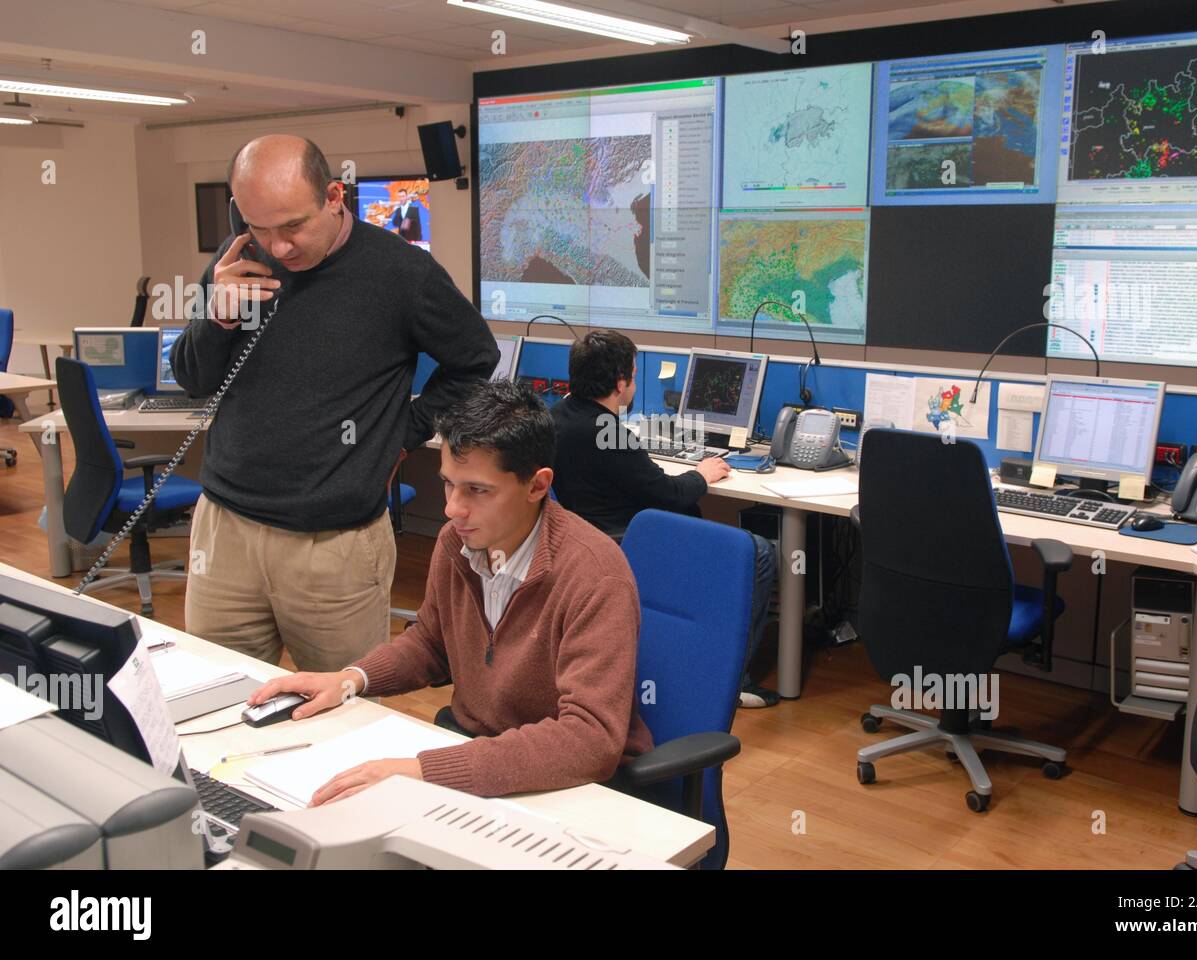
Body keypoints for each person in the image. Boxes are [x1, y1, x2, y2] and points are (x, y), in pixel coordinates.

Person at [171, 134, 498, 673]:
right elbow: (192, 378)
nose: (278, 248)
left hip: (334, 544)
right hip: (224, 531)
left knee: (341, 718)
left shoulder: (402, 273)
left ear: (334, 196)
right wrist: (217, 317)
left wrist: (403, 431)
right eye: (259, 227)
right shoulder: (237, 262)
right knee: (217, 702)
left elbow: (473, 359)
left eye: (293, 226)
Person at [245, 379, 653, 802]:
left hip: (574, 788)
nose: (452, 508)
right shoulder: (456, 542)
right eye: (448, 484)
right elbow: (431, 643)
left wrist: (426, 770)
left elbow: (589, 741)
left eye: (477, 490)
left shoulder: (593, 575)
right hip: (477, 758)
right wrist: (351, 679)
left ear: (537, 485)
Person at [551, 329, 780, 708]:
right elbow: (670, 494)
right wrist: (702, 473)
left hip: (588, 540)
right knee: (756, 552)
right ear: (621, 383)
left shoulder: (556, 417)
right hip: (628, 543)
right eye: (635, 376)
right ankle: (734, 681)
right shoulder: (608, 433)